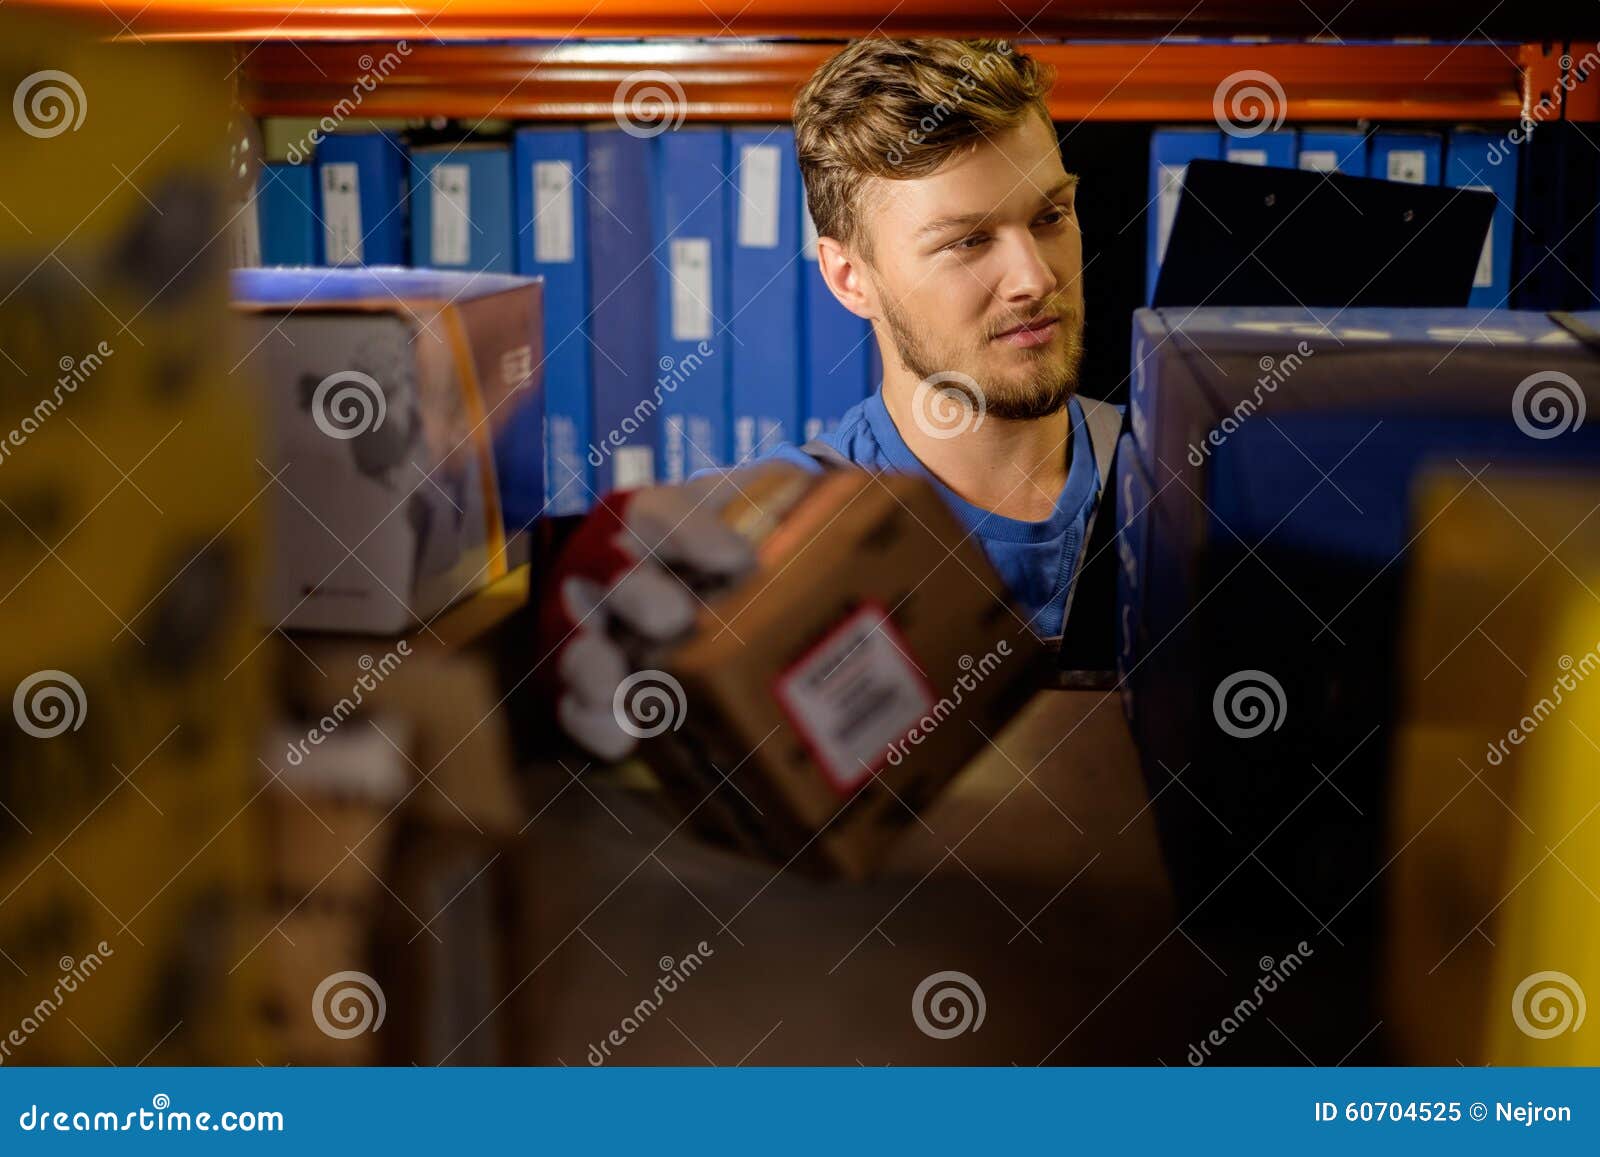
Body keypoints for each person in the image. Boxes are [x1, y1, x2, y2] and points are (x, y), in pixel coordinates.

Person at [540, 37, 1121, 760]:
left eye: (1049, 216)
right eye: (968, 242)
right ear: (851, 279)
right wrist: (586, 593)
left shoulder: (1193, 481)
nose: (1035, 277)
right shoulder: (778, 535)